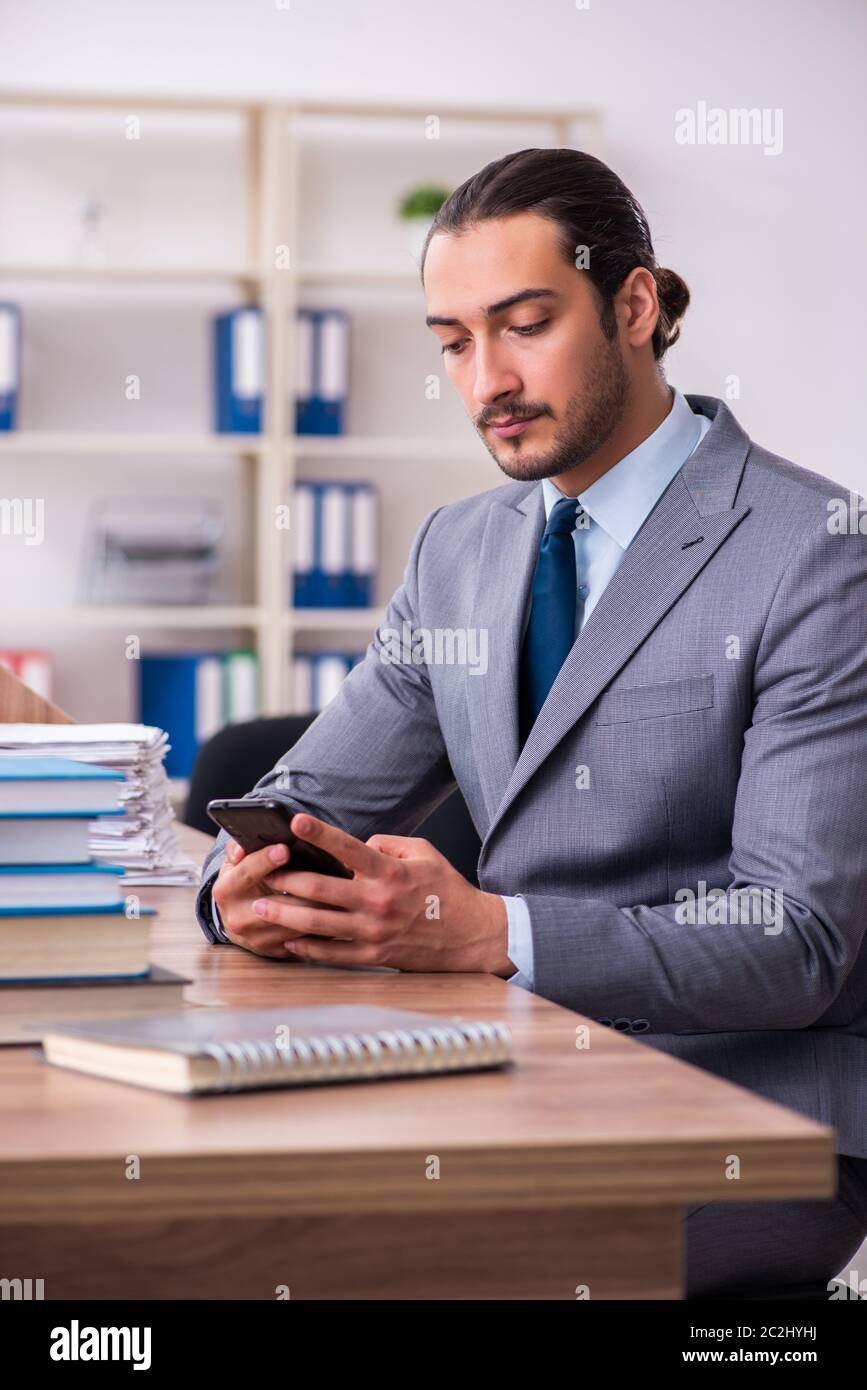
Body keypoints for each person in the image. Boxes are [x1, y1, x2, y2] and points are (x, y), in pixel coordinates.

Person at [196, 148, 867, 1298]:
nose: (486, 380)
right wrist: (237, 887)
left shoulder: (817, 553)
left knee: (399, 1269)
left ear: (636, 306)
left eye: (524, 324)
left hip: (748, 1111)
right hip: (507, 1078)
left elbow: (795, 941)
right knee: (220, 1232)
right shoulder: (460, 549)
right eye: (455, 341)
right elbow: (307, 798)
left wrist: (495, 934)